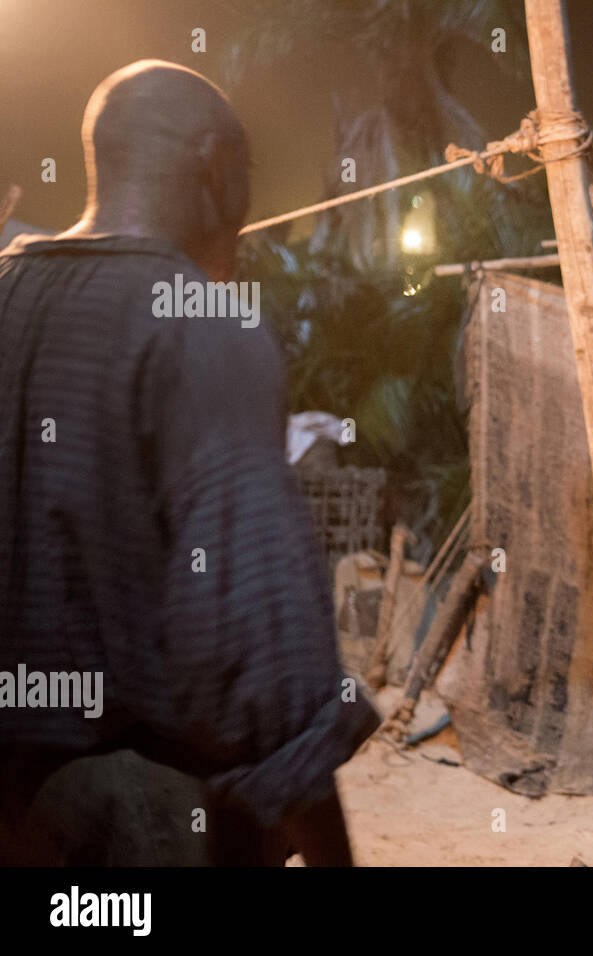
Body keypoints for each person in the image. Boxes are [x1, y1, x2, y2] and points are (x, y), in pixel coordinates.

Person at [0, 60, 379, 865]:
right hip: (136, 828)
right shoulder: (202, 326)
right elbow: (265, 664)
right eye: (248, 175)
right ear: (213, 165)